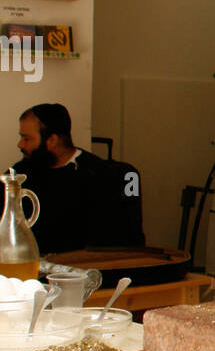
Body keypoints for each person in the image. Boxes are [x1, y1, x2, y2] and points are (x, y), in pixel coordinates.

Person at [9, 103, 144, 254]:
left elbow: (123, 243)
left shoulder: (103, 176)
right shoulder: (20, 174)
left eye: (26, 138)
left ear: (52, 140)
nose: (20, 144)